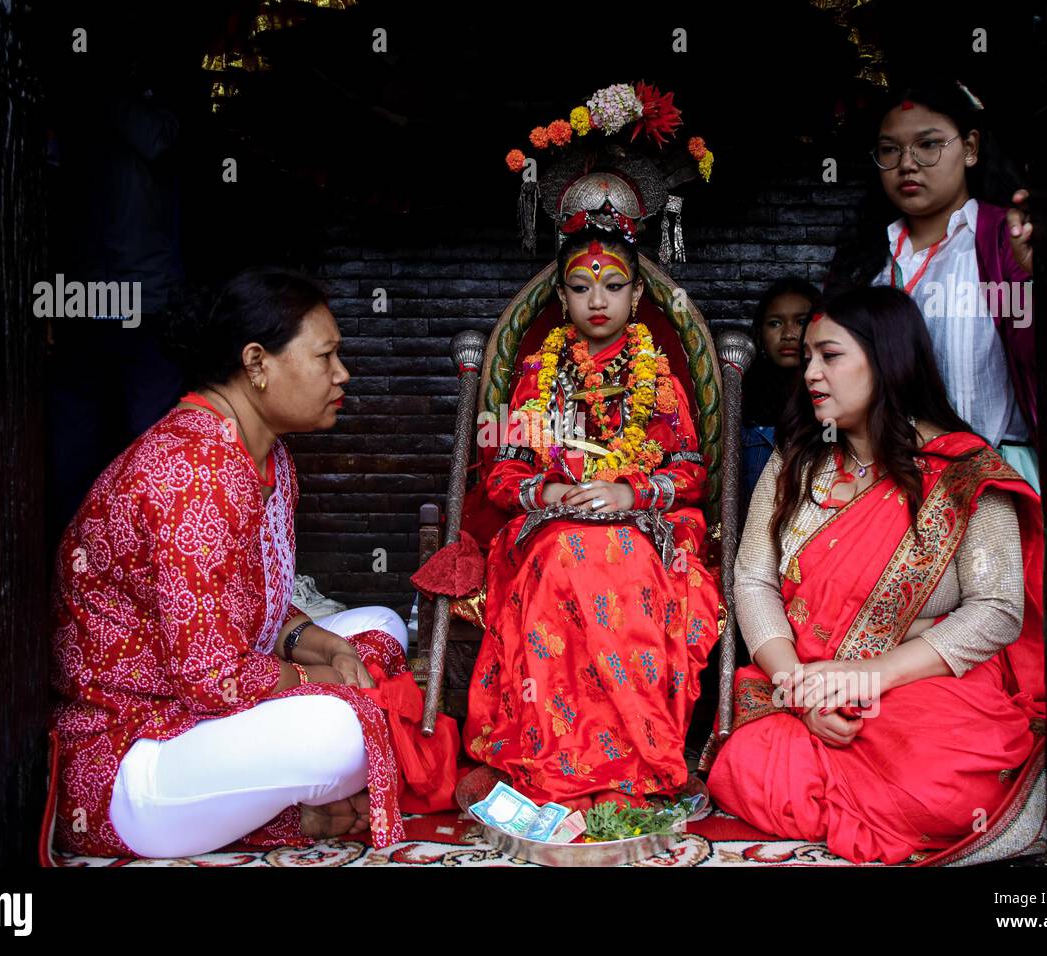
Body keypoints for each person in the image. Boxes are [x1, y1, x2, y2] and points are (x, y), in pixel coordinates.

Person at [43, 266, 412, 859]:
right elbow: (213, 678)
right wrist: (325, 686)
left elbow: (251, 599)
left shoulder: (266, 454)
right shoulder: (193, 472)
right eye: (326, 357)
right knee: (343, 735)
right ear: (258, 363)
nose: (342, 375)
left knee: (382, 631)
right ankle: (294, 812)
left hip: (203, 707)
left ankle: (289, 805)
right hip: (133, 747)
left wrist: (329, 651)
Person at [706, 286, 1045, 865]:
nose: (810, 370)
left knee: (944, 777)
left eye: (829, 355)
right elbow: (753, 580)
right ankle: (851, 790)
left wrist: (868, 674)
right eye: (808, 355)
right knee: (743, 761)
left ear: (885, 359)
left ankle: (849, 795)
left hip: (917, 689)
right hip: (805, 686)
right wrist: (799, 687)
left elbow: (997, 608)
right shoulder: (796, 463)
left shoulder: (962, 470)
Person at [461, 213, 721, 812]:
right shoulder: (535, 379)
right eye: (581, 287)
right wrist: (551, 496)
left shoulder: (661, 379)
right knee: (563, 554)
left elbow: (691, 471)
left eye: (613, 286)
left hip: (641, 529)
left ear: (637, 295)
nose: (596, 300)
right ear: (560, 297)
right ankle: (556, 751)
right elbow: (503, 474)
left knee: (623, 556)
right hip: (553, 529)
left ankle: (636, 751)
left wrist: (629, 495)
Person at [826, 81, 1040, 492]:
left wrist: (1030, 279)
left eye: (928, 145)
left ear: (971, 147)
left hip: (995, 478)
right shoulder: (864, 260)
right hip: (884, 483)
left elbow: (1042, 356)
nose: (908, 163)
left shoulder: (1003, 240)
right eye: (890, 150)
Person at [740, 278, 821, 503]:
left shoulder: (834, 398)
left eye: (801, 321)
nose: (788, 334)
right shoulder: (741, 395)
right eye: (775, 323)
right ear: (759, 332)